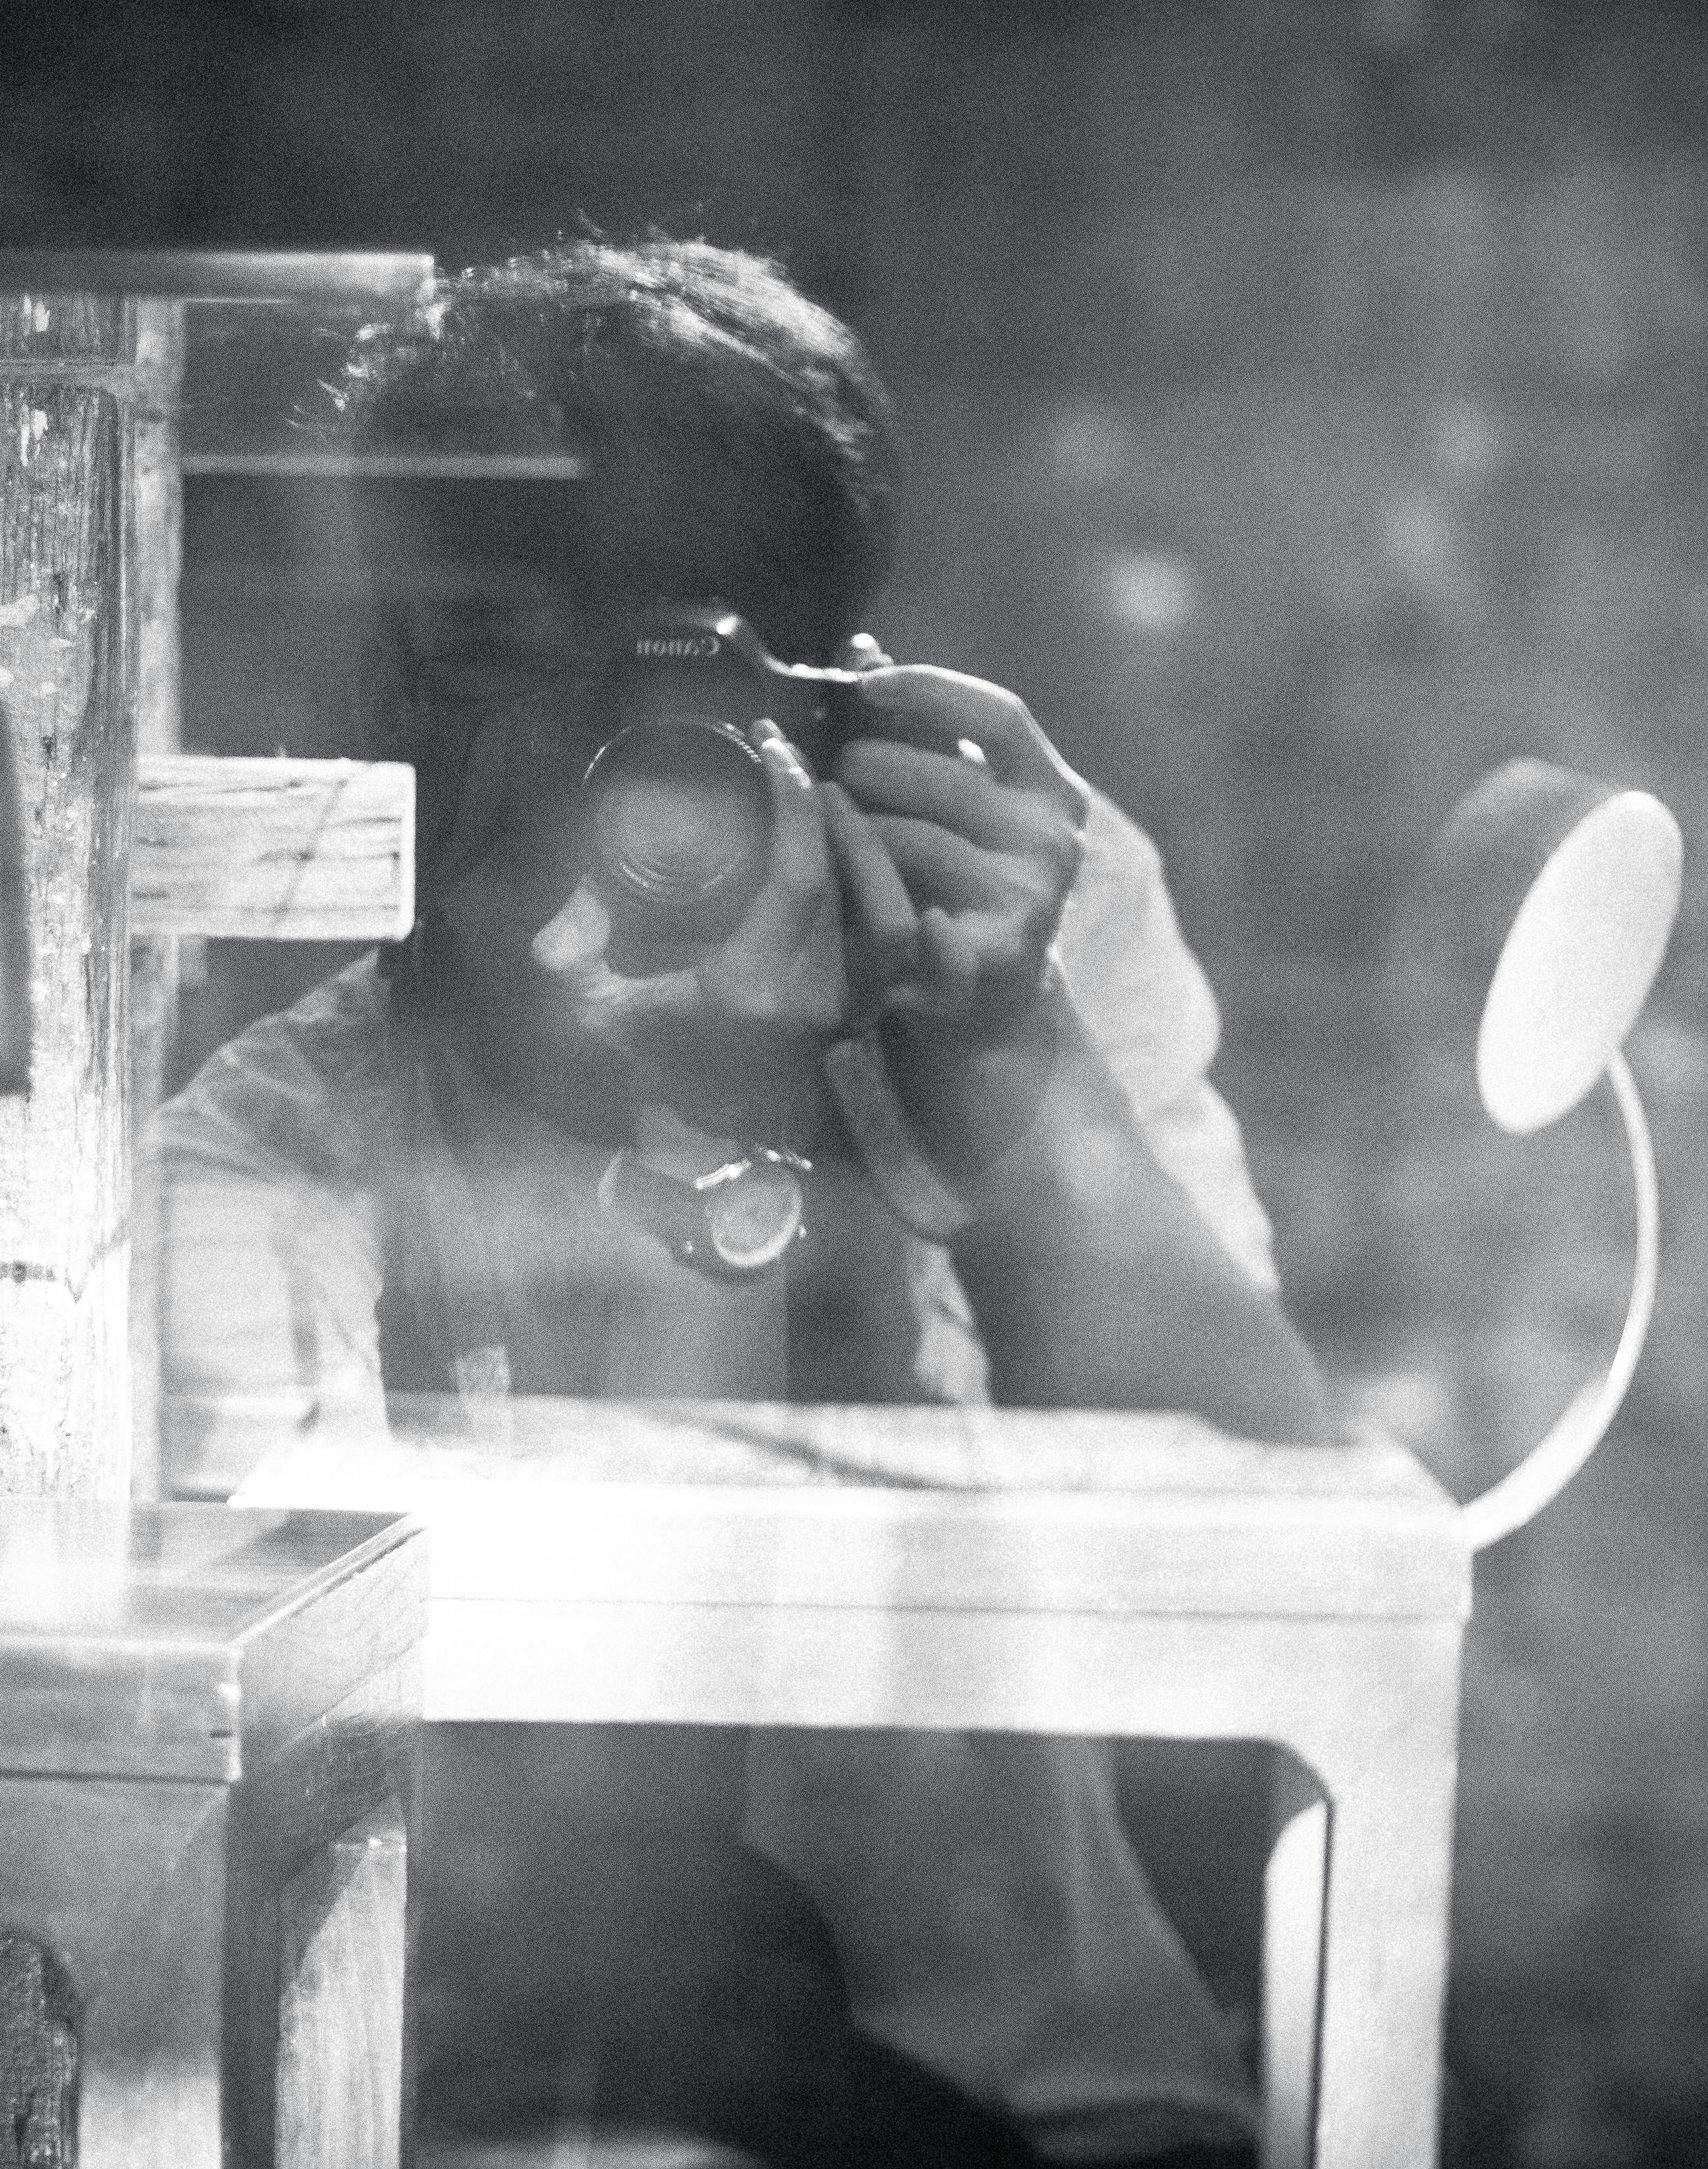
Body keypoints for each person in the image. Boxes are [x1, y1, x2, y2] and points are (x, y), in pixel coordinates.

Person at [151, 240, 1339, 2169]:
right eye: (506, 657)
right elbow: (514, 1904)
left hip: (1066, 2110)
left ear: (838, 696)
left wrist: (1004, 1088)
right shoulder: (279, 1144)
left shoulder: (1009, 923)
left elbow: (1292, 1578)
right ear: (388, 698)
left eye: (701, 676)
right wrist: (683, 1139)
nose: (629, 772)